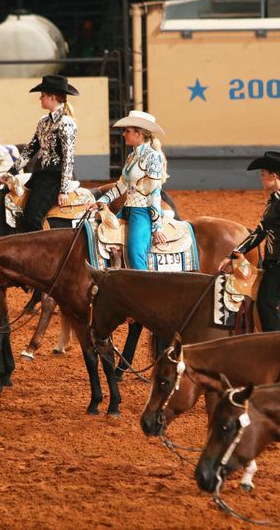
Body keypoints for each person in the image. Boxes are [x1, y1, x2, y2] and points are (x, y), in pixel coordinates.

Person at [94, 111, 168, 378]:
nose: (124, 134)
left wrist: (156, 226)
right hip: (127, 208)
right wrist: (104, 200)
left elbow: (155, 194)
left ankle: (142, 300)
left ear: (139, 133)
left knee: (137, 257)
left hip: (141, 214)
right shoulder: (133, 155)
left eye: (128, 131)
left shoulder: (153, 157)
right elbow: (122, 185)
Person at [218, 151, 280, 332]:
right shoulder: (276, 199)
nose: (261, 179)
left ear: (273, 176)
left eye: (263, 175)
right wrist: (235, 254)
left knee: (266, 306)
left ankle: (276, 348)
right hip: (273, 264)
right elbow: (260, 231)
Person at [7, 74, 78, 233]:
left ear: (52, 97)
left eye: (43, 95)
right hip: (40, 175)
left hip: (54, 179)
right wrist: (12, 170)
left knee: (33, 217)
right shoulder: (43, 122)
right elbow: (30, 149)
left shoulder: (66, 123)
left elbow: (68, 157)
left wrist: (63, 189)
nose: (40, 98)